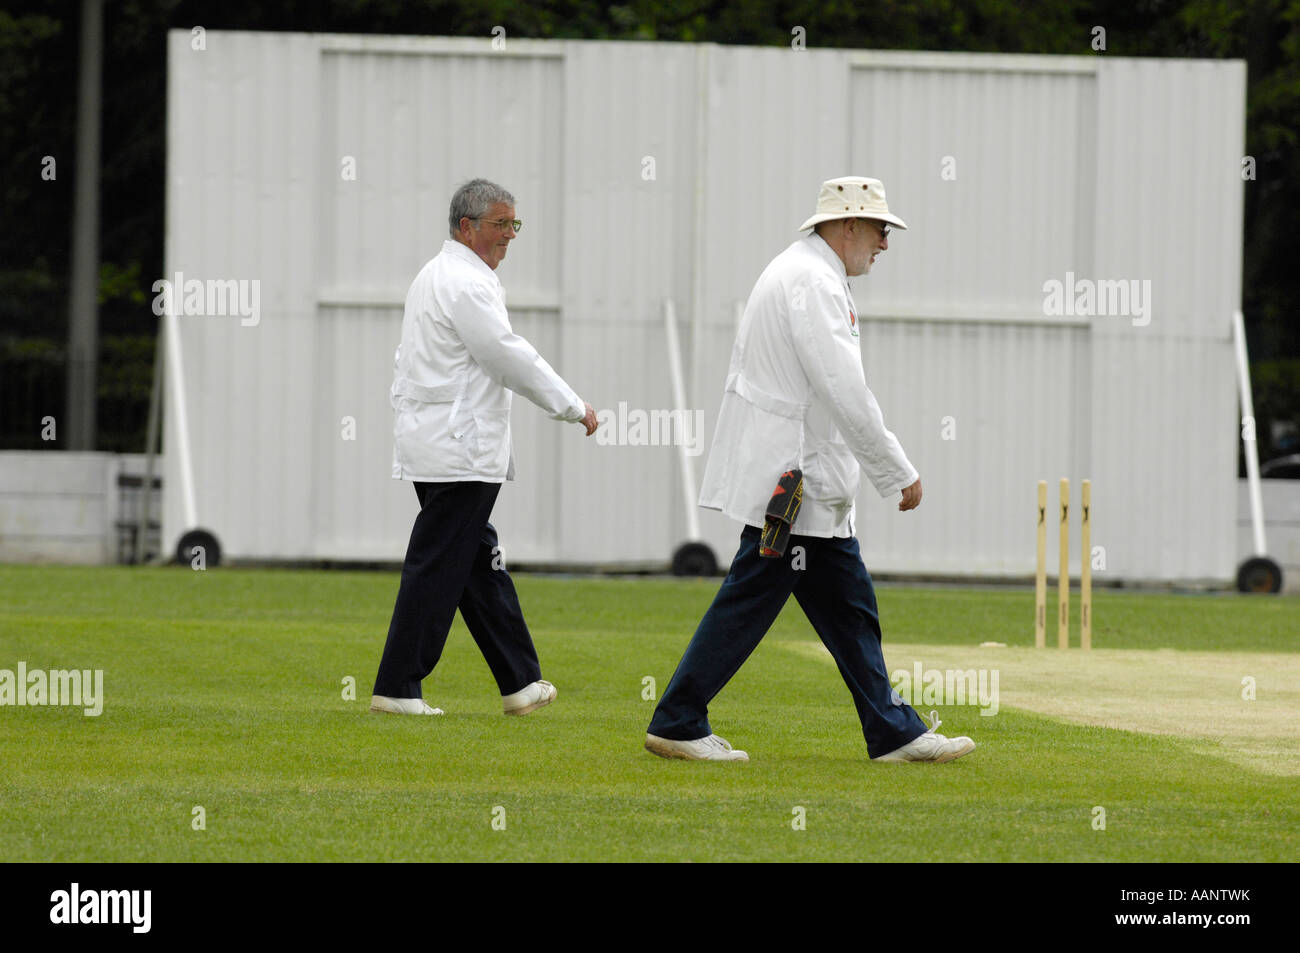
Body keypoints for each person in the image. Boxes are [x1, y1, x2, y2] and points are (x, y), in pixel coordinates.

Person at [644, 176, 975, 763]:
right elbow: (844, 388)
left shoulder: (808, 273)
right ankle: (677, 718)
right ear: (846, 224)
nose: (885, 243)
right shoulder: (813, 282)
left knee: (850, 610)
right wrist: (897, 470)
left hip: (802, 484)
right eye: (878, 229)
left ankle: (894, 731)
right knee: (751, 602)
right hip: (795, 483)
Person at [371, 178, 598, 717]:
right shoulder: (465, 283)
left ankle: (519, 682)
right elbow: (505, 354)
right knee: (438, 566)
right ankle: (398, 687)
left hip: (440, 443)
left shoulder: (437, 275)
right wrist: (571, 404)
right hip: (459, 449)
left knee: (478, 563)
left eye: (514, 225)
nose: (509, 236)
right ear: (465, 226)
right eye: (500, 224)